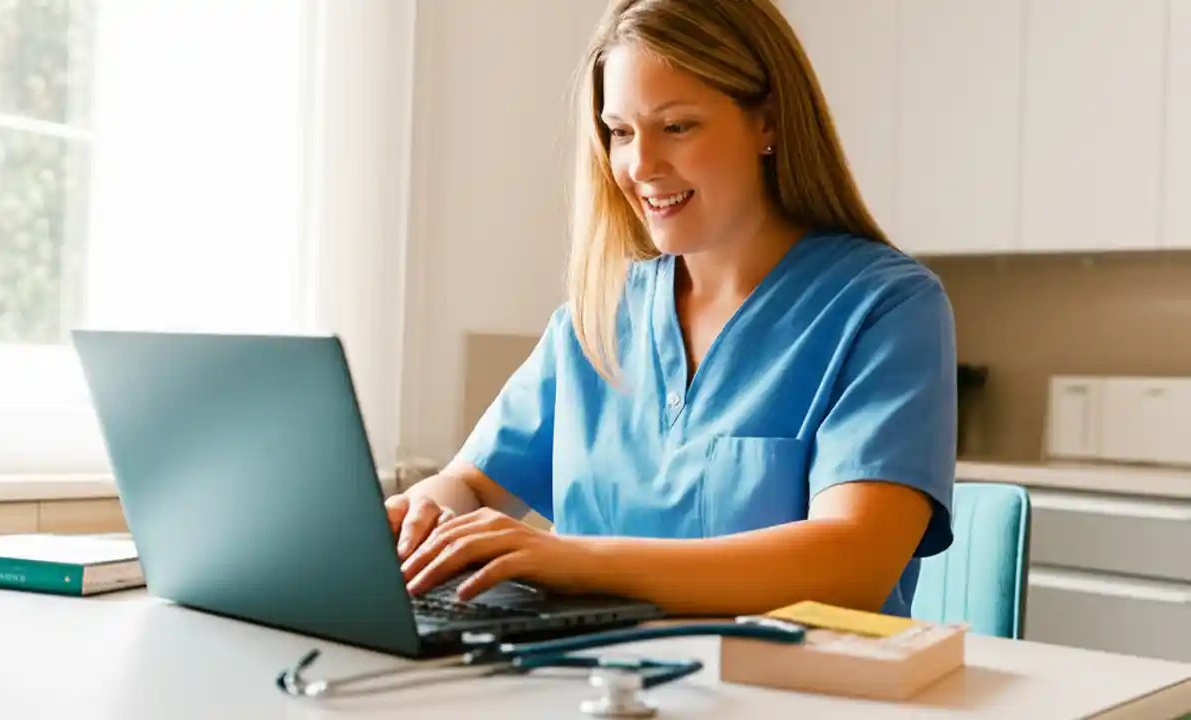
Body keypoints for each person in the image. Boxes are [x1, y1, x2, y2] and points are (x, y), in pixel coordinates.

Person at [387, 0, 956, 618]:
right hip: (591, 672)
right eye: (620, 132)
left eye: (677, 127)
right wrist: (429, 508)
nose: (640, 166)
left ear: (767, 122)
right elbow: (472, 486)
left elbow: (853, 565)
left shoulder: (885, 308)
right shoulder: (599, 318)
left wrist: (573, 559)